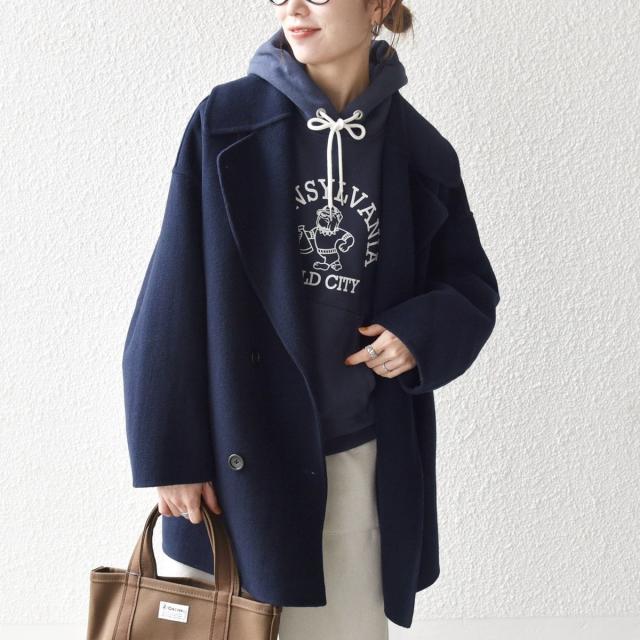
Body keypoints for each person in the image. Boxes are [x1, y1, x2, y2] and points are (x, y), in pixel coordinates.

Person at [122, 1, 500, 637]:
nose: (293, 8)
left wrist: (417, 334)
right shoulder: (227, 122)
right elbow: (172, 291)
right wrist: (171, 455)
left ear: (377, 5)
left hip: (358, 459)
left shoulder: (420, 150)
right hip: (237, 458)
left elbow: (470, 287)